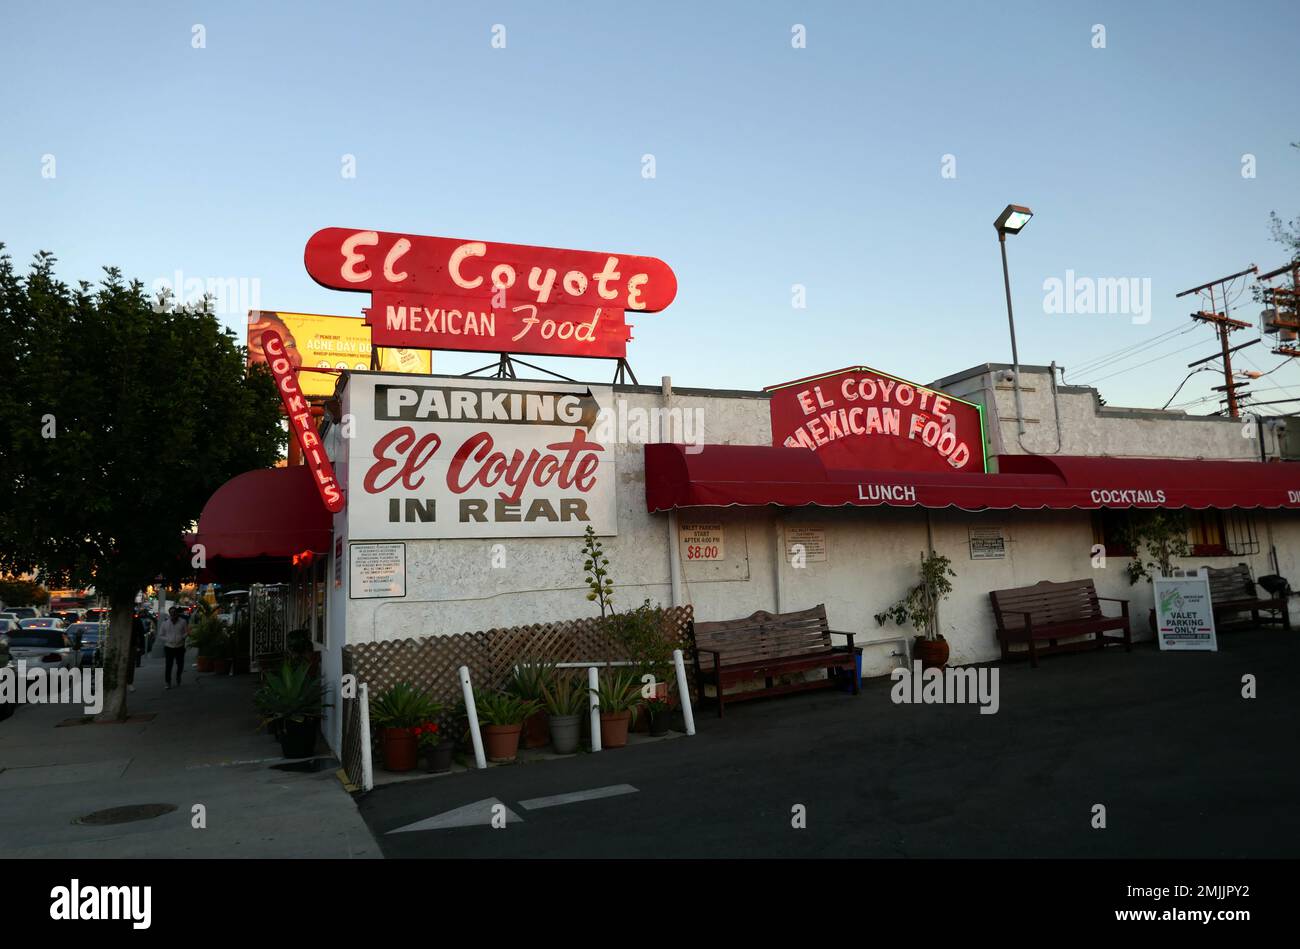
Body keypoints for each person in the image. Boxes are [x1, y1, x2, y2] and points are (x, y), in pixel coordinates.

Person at [158, 606, 190, 689]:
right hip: (169, 647)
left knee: (180, 664)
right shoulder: (165, 623)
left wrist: (183, 637)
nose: (173, 614)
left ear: (177, 613)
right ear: (170, 614)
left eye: (174, 612)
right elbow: (161, 635)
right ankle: (168, 682)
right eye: (171, 613)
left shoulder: (183, 622)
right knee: (169, 665)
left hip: (180, 646)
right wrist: (168, 639)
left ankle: (178, 675)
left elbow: (186, 632)